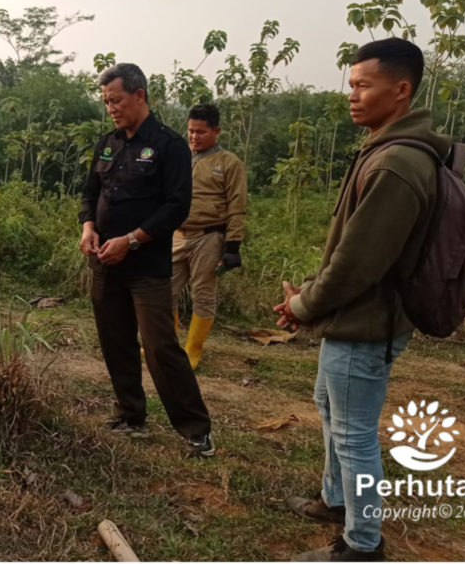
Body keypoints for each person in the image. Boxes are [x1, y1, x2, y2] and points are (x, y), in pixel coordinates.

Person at [274, 38, 450, 561]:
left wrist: (304, 306)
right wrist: (309, 294)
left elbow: (357, 263)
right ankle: (336, 500)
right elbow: (348, 247)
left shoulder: (397, 164)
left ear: (401, 90)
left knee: (354, 436)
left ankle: (362, 544)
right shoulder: (384, 149)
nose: (352, 95)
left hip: (365, 323)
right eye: (351, 84)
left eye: (363, 85)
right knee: (329, 407)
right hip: (353, 317)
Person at [79, 62, 214, 458]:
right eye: (106, 102)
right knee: (115, 340)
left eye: (116, 100)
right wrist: (88, 228)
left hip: (147, 268)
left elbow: (177, 207)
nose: (111, 109)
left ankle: (196, 431)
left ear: (140, 95)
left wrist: (131, 241)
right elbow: (89, 194)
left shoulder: (169, 146)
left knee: (159, 347)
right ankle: (130, 413)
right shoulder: (107, 142)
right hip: (104, 264)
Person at [171, 103, 247, 369]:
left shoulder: (229, 163)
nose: (194, 136)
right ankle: (167, 345)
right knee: (162, 289)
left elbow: (237, 206)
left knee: (203, 294)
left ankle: (193, 350)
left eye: (201, 132)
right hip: (177, 234)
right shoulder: (178, 157)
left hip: (209, 236)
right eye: (191, 131)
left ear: (216, 131)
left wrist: (233, 246)